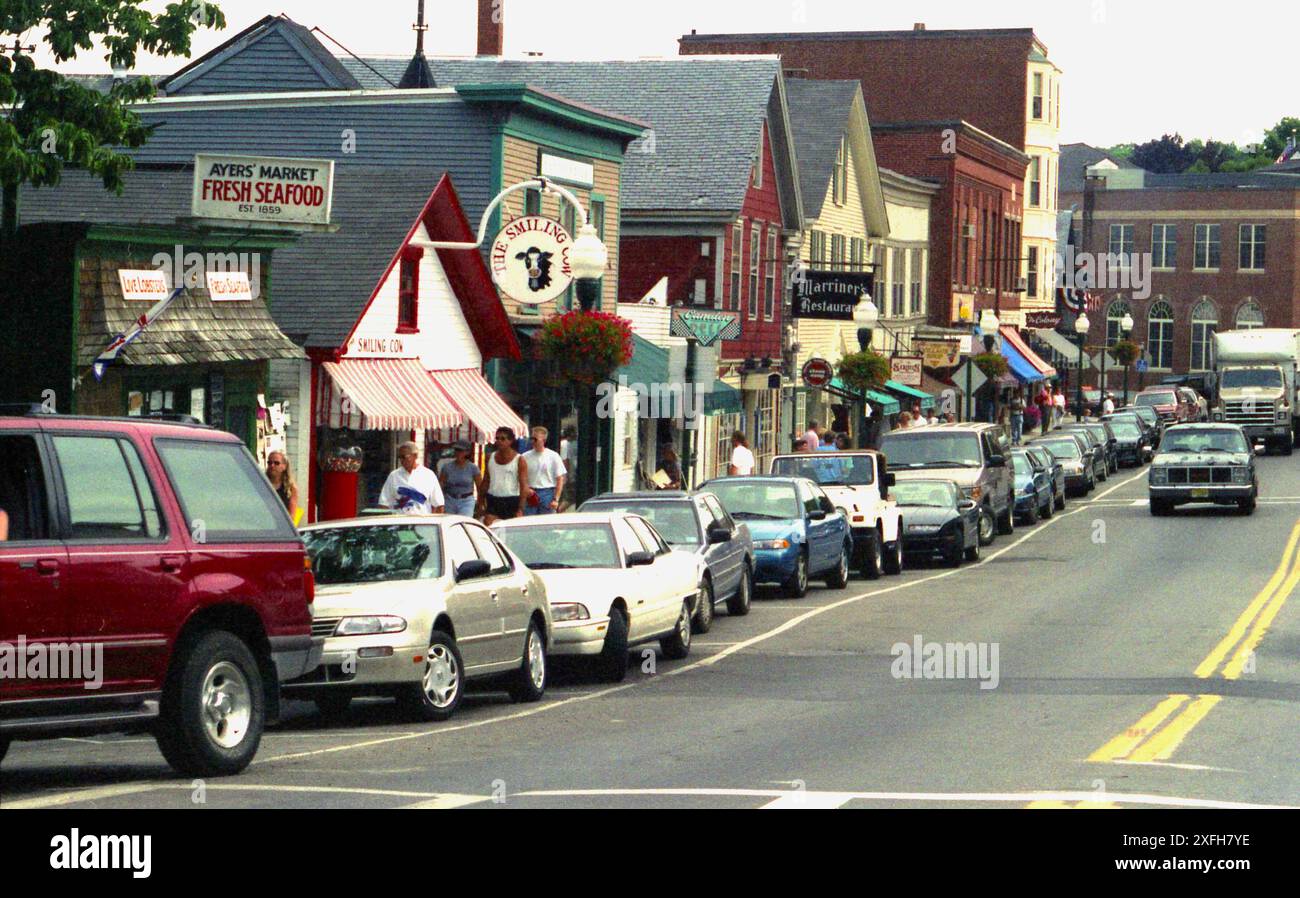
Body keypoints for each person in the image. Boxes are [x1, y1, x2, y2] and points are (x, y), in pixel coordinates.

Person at [379, 441, 444, 515]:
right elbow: (383, 503)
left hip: (421, 522)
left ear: (415, 456)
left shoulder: (428, 475)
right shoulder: (394, 476)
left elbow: (439, 504)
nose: (402, 460)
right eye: (400, 457)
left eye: (404, 457)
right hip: (399, 523)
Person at [480, 427, 528, 523]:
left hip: (511, 499)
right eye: (497, 438)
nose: (499, 441)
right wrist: (480, 500)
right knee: (489, 523)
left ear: (510, 441)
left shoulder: (519, 460)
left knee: (510, 529)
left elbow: (523, 485)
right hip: (493, 498)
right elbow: (486, 480)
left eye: (503, 439)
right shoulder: (490, 457)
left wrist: (521, 508)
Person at [522, 425, 566, 515]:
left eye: (535, 439)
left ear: (544, 440)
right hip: (530, 492)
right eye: (531, 438)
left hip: (547, 492)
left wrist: (556, 499)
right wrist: (526, 489)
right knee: (529, 521)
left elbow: (560, 478)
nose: (532, 441)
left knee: (546, 521)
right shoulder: (525, 457)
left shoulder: (553, 456)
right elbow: (521, 476)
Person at [439, 441, 481, 517]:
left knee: (465, 521)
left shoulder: (473, 468)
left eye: (461, 451)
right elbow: (441, 485)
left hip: (466, 500)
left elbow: (479, 486)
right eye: (456, 450)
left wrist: (480, 503)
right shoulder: (447, 467)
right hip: (450, 499)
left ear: (467, 452)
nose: (458, 453)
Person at [265, 450, 301, 524]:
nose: (272, 465)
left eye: (276, 463)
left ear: (284, 466)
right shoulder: (262, 483)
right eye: (269, 462)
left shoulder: (291, 488)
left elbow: (292, 515)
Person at [558, 426, 578, 510]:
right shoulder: (566, 444)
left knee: (567, 497)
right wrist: (567, 476)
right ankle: (558, 511)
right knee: (570, 498)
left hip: (567, 475)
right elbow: (565, 461)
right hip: (568, 476)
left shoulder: (563, 444)